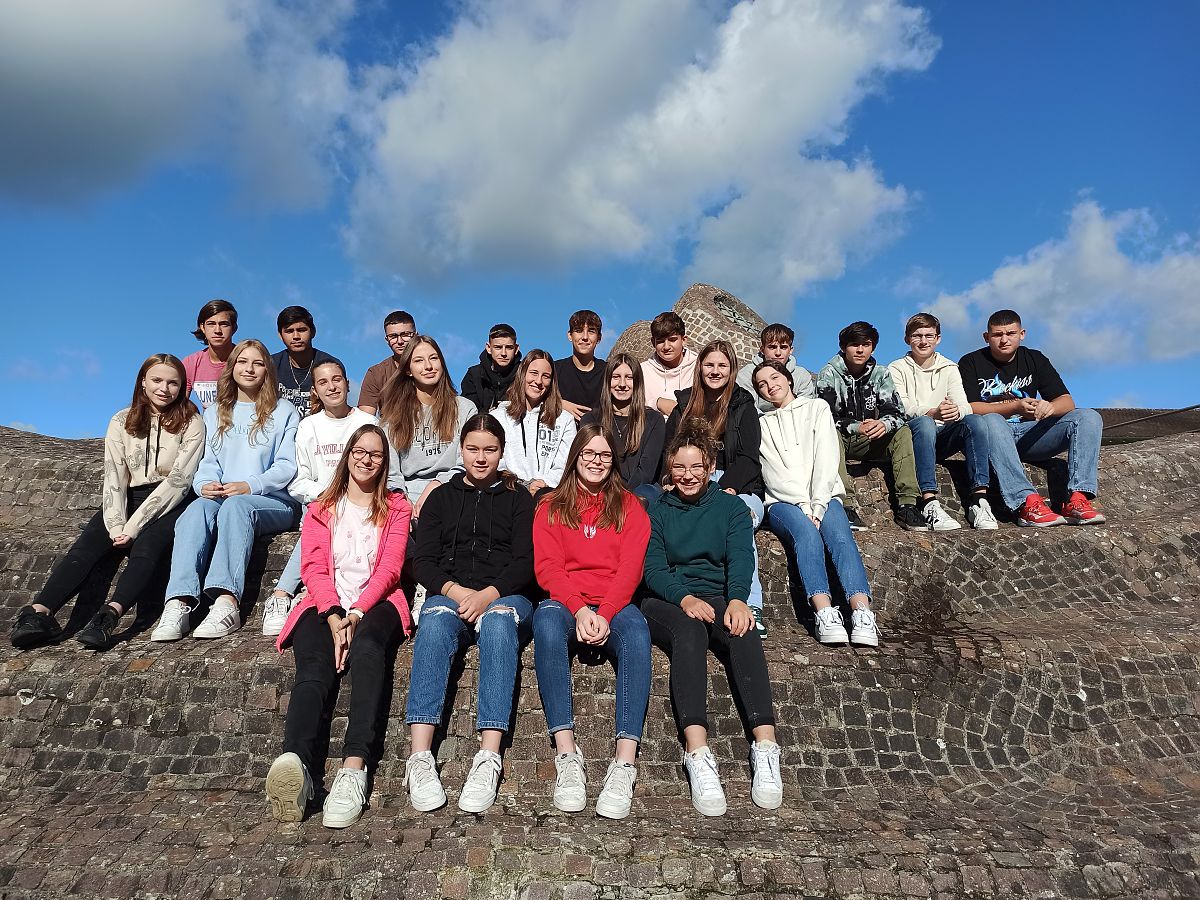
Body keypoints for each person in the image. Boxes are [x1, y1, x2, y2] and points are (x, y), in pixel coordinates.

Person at [265, 424, 412, 829]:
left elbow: (390, 568)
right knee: (313, 667)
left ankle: (353, 769)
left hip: (377, 603)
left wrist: (356, 613)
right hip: (323, 602)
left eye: (376, 454)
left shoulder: (397, 508)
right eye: (359, 452)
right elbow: (312, 566)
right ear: (347, 455)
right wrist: (332, 614)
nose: (367, 459)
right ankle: (297, 766)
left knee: (367, 653)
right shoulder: (320, 508)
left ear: (385, 463)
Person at [10, 354, 204, 650]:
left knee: (147, 549)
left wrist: (134, 527)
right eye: (157, 380)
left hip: (170, 500)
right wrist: (115, 525)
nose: (164, 388)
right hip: (127, 497)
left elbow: (179, 481)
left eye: (172, 382)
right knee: (84, 549)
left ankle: (109, 616)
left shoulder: (192, 421)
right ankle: (39, 613)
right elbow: (114, 476)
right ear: (143, 382)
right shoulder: (120, 420)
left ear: (182, 386)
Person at [640, 418, 783, 816]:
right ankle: (698, 752)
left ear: (709, 467)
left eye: (696, 467)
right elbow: (652, 569)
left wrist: (738, 600)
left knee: (743, 630)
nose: (688, 475)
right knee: (690, 632)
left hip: (717, 596)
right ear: (670, 469)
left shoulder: (731, 508)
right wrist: (684, 598)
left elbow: (740, 557)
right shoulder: (658, 511)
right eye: (680, 467)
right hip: (665, 599)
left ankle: (766, 745)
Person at [403, 414, 536, 814]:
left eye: (490, 450)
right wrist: (458, 591)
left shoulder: (518, 500)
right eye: (474, 449)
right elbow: (422, 560)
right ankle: (420, 756)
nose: (481, 458)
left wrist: (489, 595)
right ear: (461, 450)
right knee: (435, 622)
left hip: (506, 594)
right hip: (452, 592)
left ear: (501, 452)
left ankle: (488, 756)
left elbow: (527, 561)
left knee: (498, 623)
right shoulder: (442, 497)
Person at [531, 425, 652, 819]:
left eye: (604, 455)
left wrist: (604, 612)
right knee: (547, 624)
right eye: (589, 454)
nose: (596, 462)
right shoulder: (550, 505)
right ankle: (567, 754)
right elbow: (549, 568)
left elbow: (630, 569)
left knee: (637, 635)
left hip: (614, 604)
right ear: (575, 457)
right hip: (567, 601)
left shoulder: (630, 505)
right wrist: (580, 609)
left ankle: (624, 763)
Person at [151, 339, 300, 642]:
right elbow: (208, 461)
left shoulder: (284, 411)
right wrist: (204, 484)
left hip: (271, 501)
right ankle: (178, 602)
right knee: (194, 512)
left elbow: (287, 466)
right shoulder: (216, 411)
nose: (250, 368)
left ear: (268, 371)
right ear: (231, 368)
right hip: (221, 497)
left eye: (258, 363)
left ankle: (226, 602)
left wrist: (250, 485)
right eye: (243, 362)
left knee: (237, 507)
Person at [753, 361, 878, 646]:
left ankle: (861, 611)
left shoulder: (817, 408)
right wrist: (805, 507)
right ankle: (824, 612)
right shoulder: (762, 423)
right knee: (807, 535)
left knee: (841, 537)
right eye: (762, 383)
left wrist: (818, 505)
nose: (770, 385)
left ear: (788, 379)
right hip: (784, 502)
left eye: (774, 377)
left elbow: (826, 458)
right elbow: (774, 472)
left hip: (824, 496)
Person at [262, 359, 382, 636]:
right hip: (322, 501)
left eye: (337, 379)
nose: (332, 386)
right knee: (319, 517)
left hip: (362, 500)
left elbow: (379, 466)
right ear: (315, 390)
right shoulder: (309, 427)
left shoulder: (367, 422)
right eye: (323, 382)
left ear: (347, 382)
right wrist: (329, 494)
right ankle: (282, 596)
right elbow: (298, 481)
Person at [958, 309, 1105, 526]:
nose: (1004, 340)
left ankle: (1078, 500)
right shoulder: (970, 362)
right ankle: (1026, 503)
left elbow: (1067, 401)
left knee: (1088, 417)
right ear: (986, 337)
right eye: (997, 335)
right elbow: (969, 408)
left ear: (1022, 334)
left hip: (1030, 435)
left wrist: (1049, 408)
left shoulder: (1034, 359)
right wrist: (1015, 406)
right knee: (990, 420)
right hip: (992, 437)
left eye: (1011, 333)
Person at [664, 340, 768, 636]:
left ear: (732, 370)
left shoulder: (743, 404)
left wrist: (727, 487)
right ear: (700, 367)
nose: (715, 371)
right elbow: (669, 451)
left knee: (740, 519)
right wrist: (669, 480)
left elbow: (749, 456)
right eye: (709, 364)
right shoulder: (684, 404)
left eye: (722, 365)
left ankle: (750, 603)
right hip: (694, 478)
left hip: (739, 484)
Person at [887, 313, 997, 530]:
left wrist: (954, 411)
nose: (923, 341)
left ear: (938, 339)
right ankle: (929, 502)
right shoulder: (896, 368)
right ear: (907, 339)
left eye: (929, 335)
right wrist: (932, 412)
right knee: (925, 423)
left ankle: (979, 502)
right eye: (917, 336)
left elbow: (965, 405)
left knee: (974, 421)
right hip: (914, 434)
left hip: (944, 435)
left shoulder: (950, 368)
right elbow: (903, 408)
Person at [815, 321, 925, 531]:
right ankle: (844, 505)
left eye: (866, 344)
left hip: (871, 439)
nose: (860, 349)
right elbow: (824, 415)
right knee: (828, 431)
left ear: (872, 347)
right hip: (842, 438)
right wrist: (856, 427)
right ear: (843, 347)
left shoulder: (881, 374)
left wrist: (883, 424)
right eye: (854, 344)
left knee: (902, 431)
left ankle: (907, 504)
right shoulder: (828, 373)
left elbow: (896, 412)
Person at [377, 335, 478, 518]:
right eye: (419, 360)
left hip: (454, 492)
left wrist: (437, 484)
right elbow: (391, 474)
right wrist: (401, 502)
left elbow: (467, 462)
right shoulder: (392, 418)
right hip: (408, 502)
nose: (428, 366)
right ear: (408, 369)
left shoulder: (465, 408)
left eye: (433, 358)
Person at [581, 353, 665, 498]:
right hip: (601, 489)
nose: (622, 384)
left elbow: (646, 470)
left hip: (638, 492)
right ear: (607, 381)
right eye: (616, 377)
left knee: (647, 493)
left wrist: (621, 496)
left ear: (637, 382)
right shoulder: (591, 419)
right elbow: (590, 464)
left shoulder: (653, 420)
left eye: (629, 377)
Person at [495, 349, 576, 496]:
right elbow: (495, 460)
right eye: (533, 373)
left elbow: (565, 463)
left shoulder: (565, 420)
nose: (538, 381)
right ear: (522, 374)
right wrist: (520, 486)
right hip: (507, 494)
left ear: (551, 382)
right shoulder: (497, 417)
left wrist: (543, 485)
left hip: (548, 495)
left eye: (545, 376)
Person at [270, 306, 340, 419]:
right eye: (289, 331)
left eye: (302, 330)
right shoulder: (271, 365)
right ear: (280, 335)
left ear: (313, 332)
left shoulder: (330, 366)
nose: (296, 336)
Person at [735, 323, 816, 414]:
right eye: (772, 347)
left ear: (791, 350)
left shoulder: (801, 376)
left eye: (783, 347)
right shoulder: (747, 374)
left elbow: (806, 409)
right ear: (762, 349)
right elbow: (746, 408)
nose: (778, 352)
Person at [182, 299, 237, 410]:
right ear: (202, 327)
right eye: (211, 324)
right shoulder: (191, 363)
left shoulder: (245, 359)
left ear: (234, 328)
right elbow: (178, 406)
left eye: (224, 324)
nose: (217, 330)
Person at [640, 311, 696, 419]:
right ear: (653, 342)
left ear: (684, 340)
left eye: (672, 340)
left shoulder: (699, 367)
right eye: (661, 341)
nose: (666, 347)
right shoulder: (642, 371)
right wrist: (657, 403)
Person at [358, 310, 416, 415]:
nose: (400, 341)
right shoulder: (376, 373)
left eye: (405, 334)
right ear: (387, 340)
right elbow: (365, 418)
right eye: (393, 336)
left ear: (416, 335)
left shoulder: (431, 366)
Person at [554, 309, 605, 421]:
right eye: (579, 330)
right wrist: (559, 403)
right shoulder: (555, 370)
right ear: (570, 335)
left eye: (591, 331)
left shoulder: (608, 372)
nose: (585, 337)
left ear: (599, 337)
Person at [460, 323, 522, 413]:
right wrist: (490, 414)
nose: (503, 353)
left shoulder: (524, 374)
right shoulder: (474, 374)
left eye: (509, 348)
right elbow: (467, 412)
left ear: (516, 349)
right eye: (498, 347)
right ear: (489, 348)